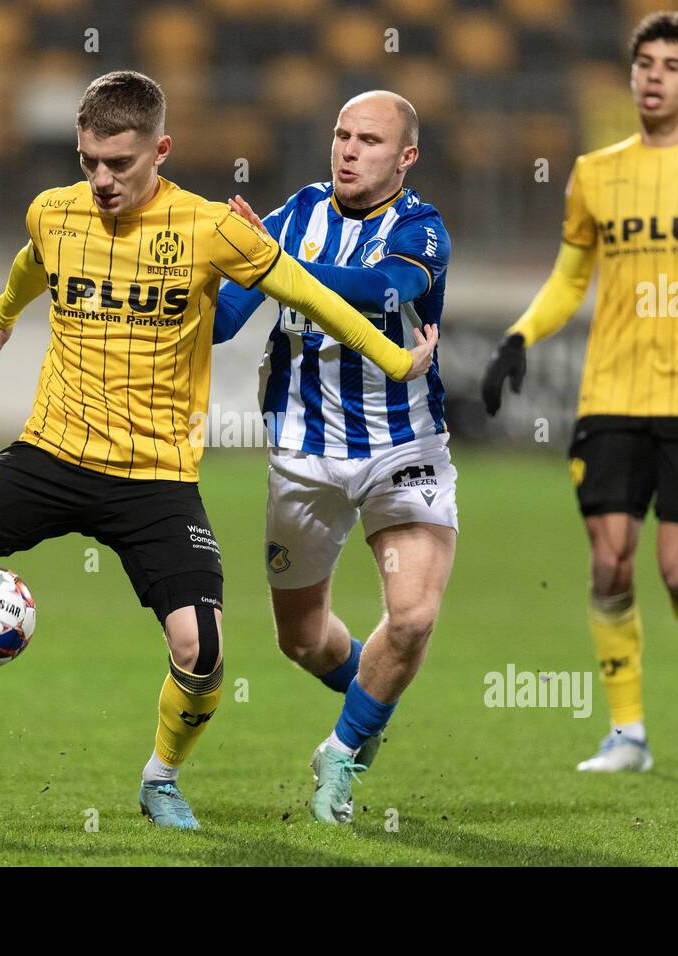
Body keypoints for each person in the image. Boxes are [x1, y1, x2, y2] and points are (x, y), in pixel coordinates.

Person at [0, 70, 437, 829]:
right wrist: (4, 313)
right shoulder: (55, 212)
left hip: (155, 479)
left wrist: (398, 360)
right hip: (49, 454)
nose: (101, 180)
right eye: (88, 162)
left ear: (160, 150)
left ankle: (160, 780)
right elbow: (31, 264)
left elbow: (313, 297)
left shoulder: (211, 228)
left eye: (119, 165)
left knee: (202, 650)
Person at [481, 12, 678, 772]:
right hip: (613, 393)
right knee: (611, 563)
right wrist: (520, 336)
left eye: (669, 65)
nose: (653, 76)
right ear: (631, 75)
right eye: (643, 63)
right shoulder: (596, 171)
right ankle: (628, 731)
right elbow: (569, 278)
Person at [215, 89, 455, 823]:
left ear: (405, 158)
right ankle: (368, 699)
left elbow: (385, 290)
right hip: (302, 456)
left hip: (402, 448)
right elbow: (226, 322)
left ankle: (344, 752)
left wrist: (273, 261)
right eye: (342, 135)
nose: (350, 150)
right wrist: (193, 274)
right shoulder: (298, 213)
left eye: (371, 141)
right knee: (303, 641)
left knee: (411, 619)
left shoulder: (421, 228)